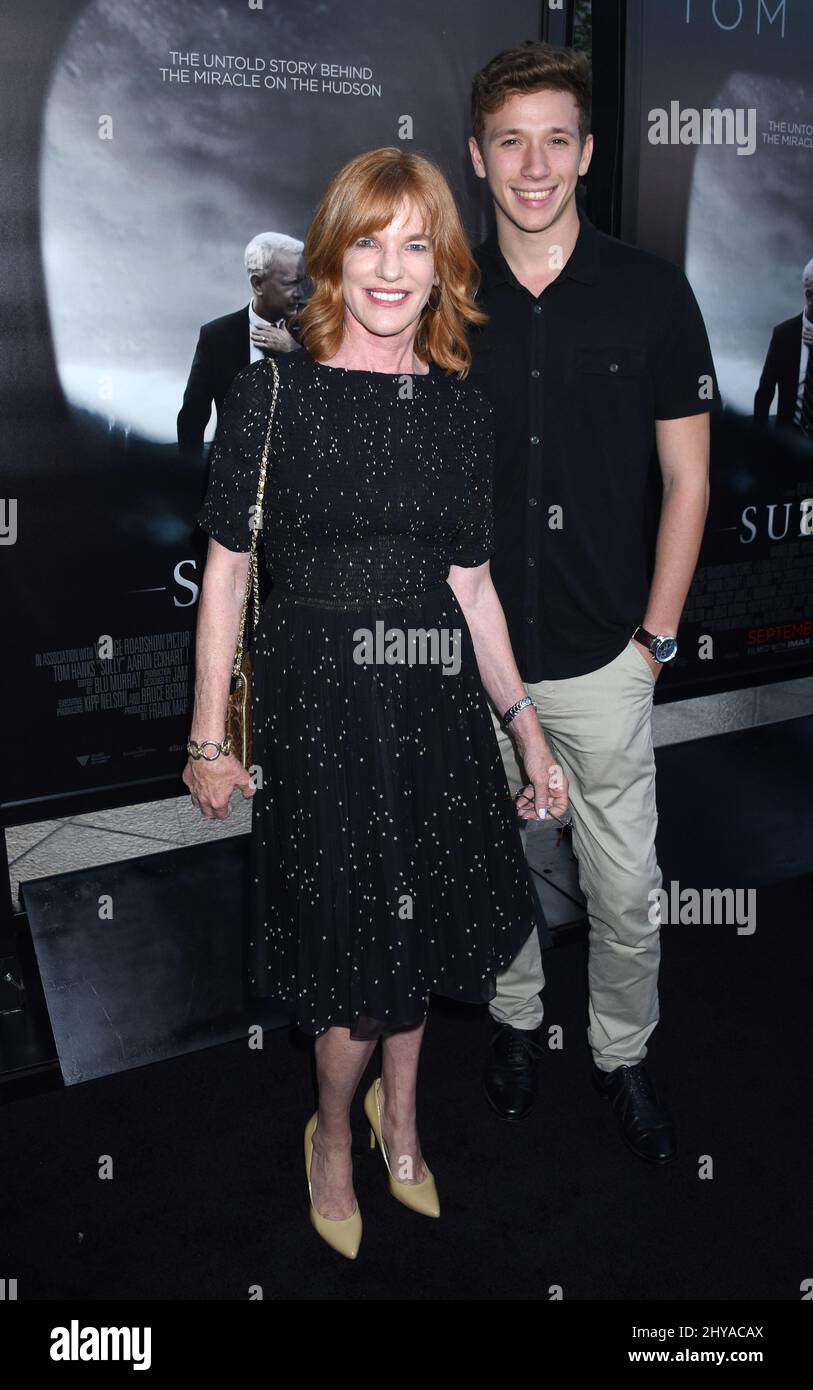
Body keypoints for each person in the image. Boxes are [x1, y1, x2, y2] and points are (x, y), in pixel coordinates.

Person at [183, 147, 569, 1258]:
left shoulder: (459, 413)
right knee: (353, 960)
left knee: (421, 938)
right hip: (317, 720)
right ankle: (332, 1135)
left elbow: (473, 590)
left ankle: (401, 1121)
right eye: (369, 242)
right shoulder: (269, 397)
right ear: (332, 258)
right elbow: (226, 579)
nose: (392, 269)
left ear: (444, 267)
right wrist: (207, 739)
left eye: (415, 245)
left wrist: (528, 733)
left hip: (431, 710)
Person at [466, 41, 718, 1161]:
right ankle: (516, 1021)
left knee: (625, 890)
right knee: (493, 864)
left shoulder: (653, 295)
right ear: (477, 156)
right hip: (473, 659)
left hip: (606, 657)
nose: (535, 165)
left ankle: (621, 1054)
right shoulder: (442, 296)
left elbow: (688, 479)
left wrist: (653, 642)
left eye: (555, 140)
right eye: (511, 141)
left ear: (586, 152)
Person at [177, 231, 305, 459]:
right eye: (289, 283)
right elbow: (192, 418)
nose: (299, 293)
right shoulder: (216, 337)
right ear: (258, 283)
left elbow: (339, 399)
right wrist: (191, 474)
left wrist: (295, 354)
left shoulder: (319, 328)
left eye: (300, 281)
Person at [754, 258, 813, 436]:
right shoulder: (784, 335)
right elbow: (765, 393)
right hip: (789, 443)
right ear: (809, 295)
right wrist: (759, 441)